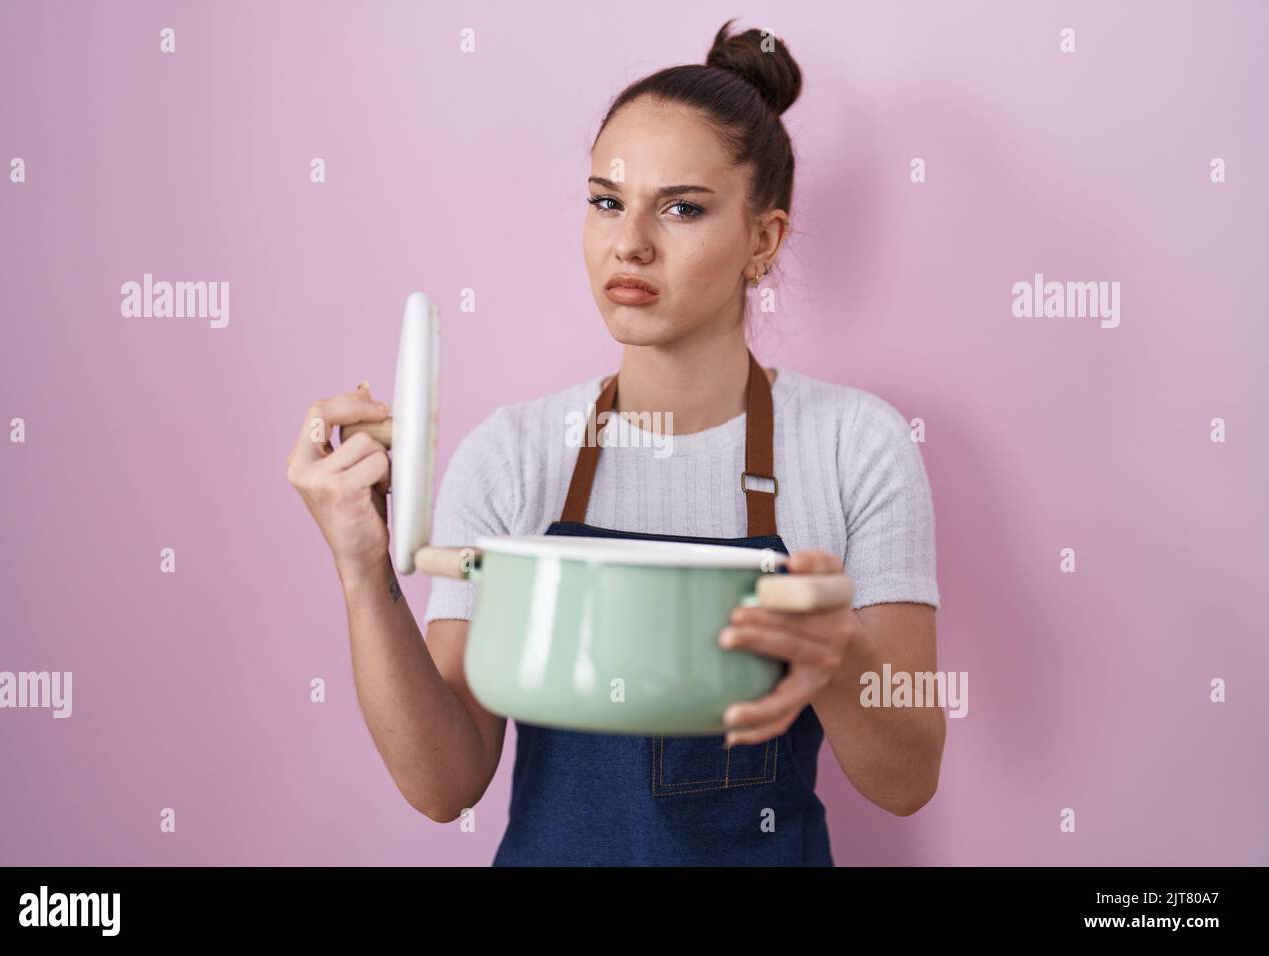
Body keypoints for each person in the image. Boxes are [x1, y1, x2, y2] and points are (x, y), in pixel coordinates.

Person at [287, 19, 943, 866]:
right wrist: (365, 569)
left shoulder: (857, 447)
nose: (628, 243)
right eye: (607, 201)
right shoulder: (514, 455)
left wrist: (840, 651)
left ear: (763, 239)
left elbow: (909, 776)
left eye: (681, 208)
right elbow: (444, 783)